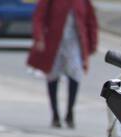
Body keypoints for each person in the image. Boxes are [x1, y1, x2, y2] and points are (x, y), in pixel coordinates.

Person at [28, 0, 99, 129]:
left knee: (75, 75)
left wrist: (92, 44)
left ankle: (70, 112)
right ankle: (55, 114)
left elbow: (91, 21)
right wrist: (39, 37)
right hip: (54, 42)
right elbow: (39, 16)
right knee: (52, 75)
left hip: (74, 44)